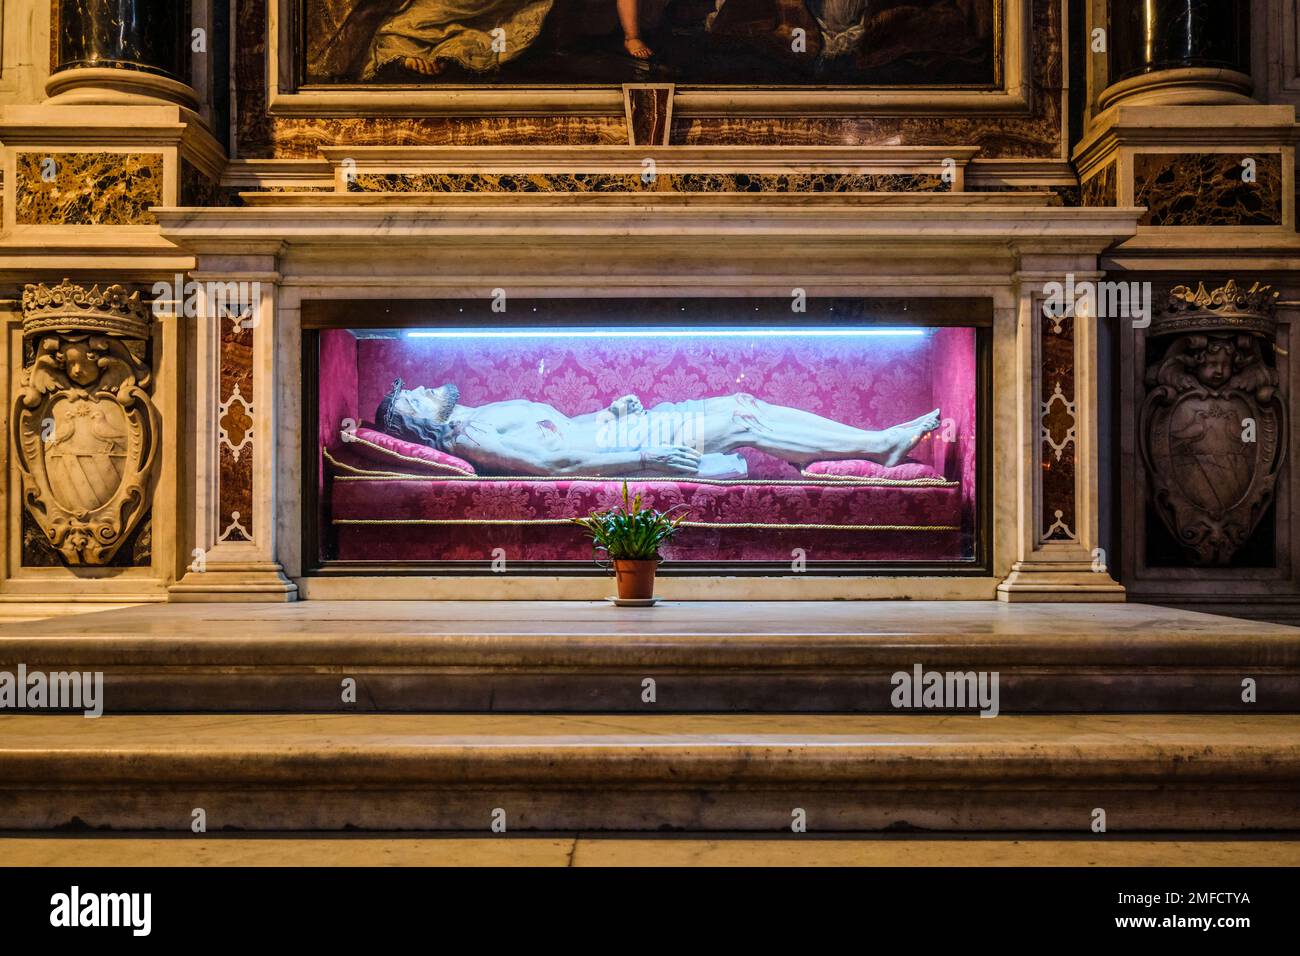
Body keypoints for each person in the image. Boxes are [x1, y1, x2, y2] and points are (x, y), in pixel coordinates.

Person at [374, 378, 940, 478]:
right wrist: (650, 457)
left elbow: (560, 432)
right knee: (744, 420)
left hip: (618, 431)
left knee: (743, 405)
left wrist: (607, 412)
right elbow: (556, 465)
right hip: (630, 448)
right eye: (414, 398)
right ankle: (880, 445)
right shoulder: (469, 437)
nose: (425, 389)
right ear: (416, 423)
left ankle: (861, 444)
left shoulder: (476, 416)